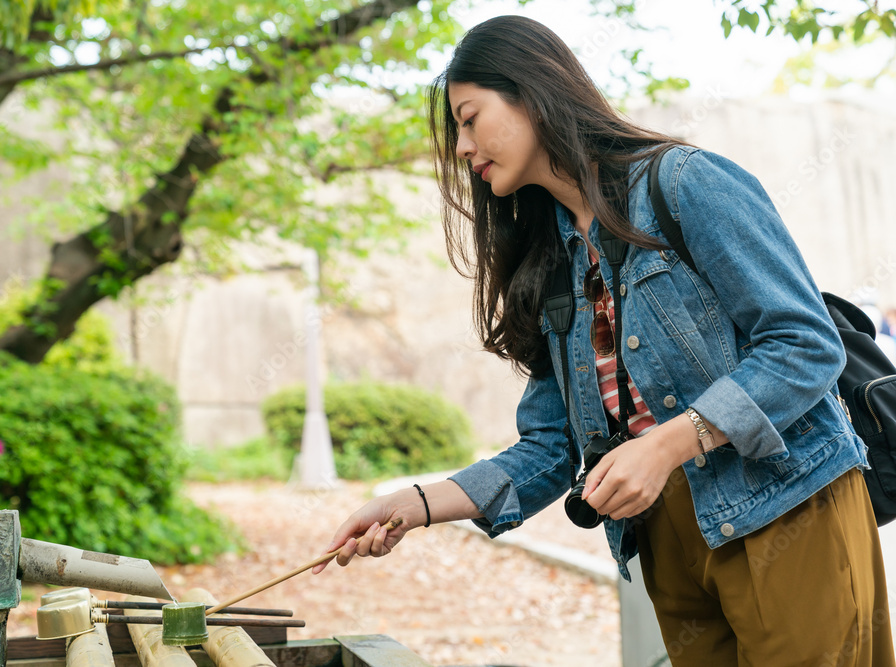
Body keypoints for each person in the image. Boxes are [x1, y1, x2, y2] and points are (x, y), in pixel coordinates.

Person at [312, 15, 894, 666]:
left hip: (789, 508)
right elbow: (551, 445)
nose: (462, 147)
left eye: (470, 119)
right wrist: (414, 505)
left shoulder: (685, 183)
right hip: (668, 539)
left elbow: (805, 343)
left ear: (532, 93)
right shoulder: (552, 259)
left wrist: (668, 444)